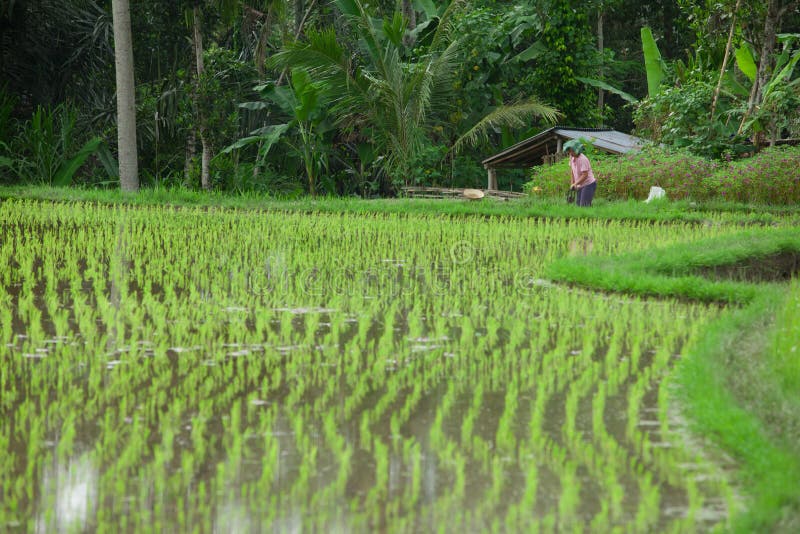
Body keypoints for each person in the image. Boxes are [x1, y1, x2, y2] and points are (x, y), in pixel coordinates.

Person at [563, 139, 596, 207]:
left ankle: (590, 211)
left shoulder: (583, 159)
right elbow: (572, 171)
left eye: (572, 151)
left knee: (584, 206)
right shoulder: (571, 157)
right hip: (580, 184)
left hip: (588, 184)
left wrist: (575, 183)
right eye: (569, 151)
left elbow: (585, 175)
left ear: (577, 150)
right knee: (578, 206)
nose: (570, 153)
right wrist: (572, 184)